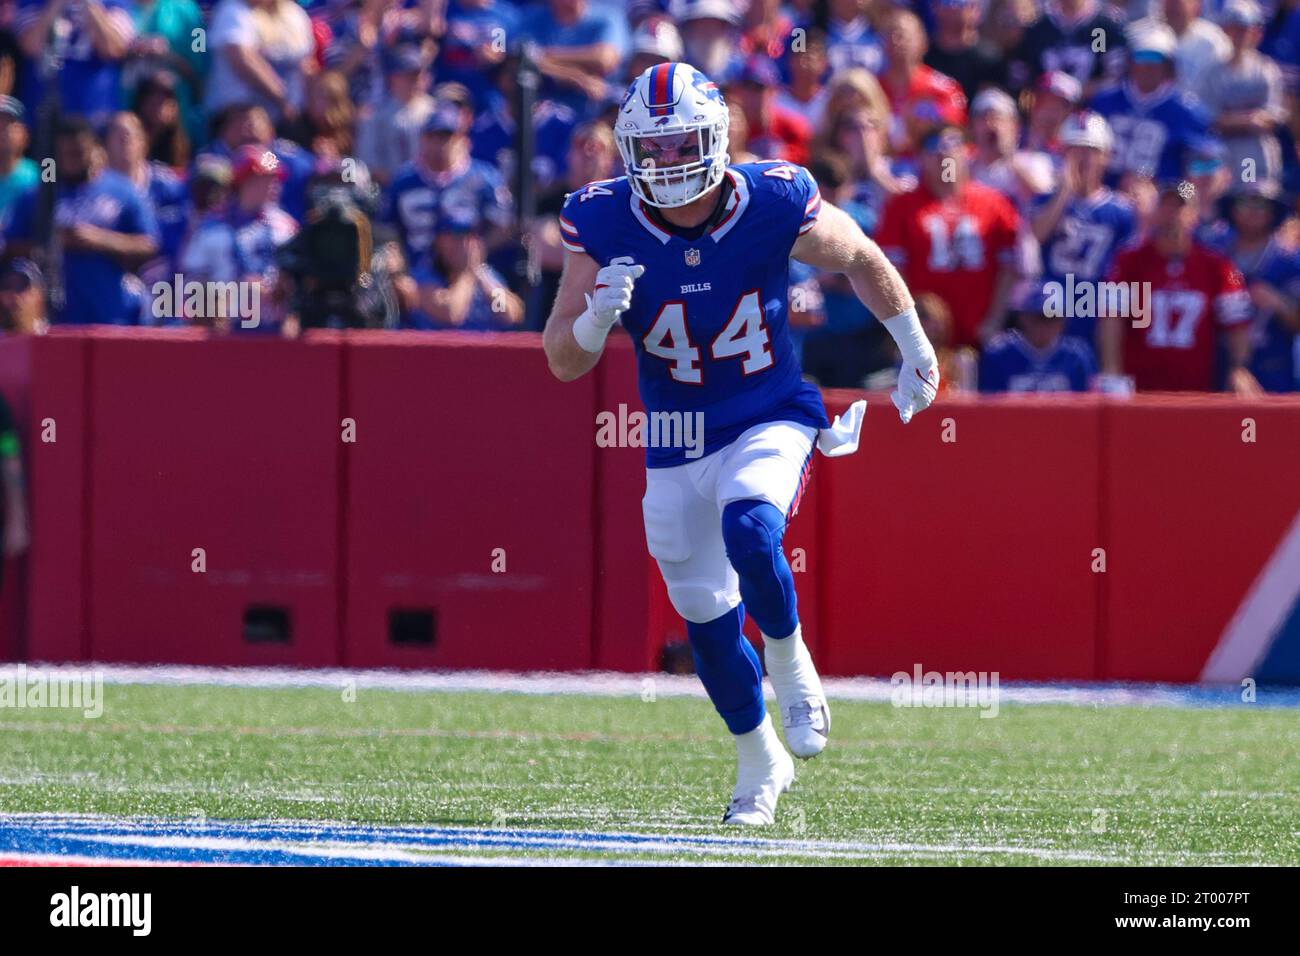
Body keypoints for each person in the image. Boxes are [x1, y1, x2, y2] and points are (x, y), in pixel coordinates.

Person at [543, 62, 939, 826]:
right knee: (707, 624)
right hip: (675, 436)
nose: (665, 163)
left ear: (718, 138)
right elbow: (563, 357)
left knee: (751, 528)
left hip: (769, 410)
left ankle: (793, 668)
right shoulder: (599, 217)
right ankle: (759, 759)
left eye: (681, 143)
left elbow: (860, 255)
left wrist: (916, 346)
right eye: (649, 149)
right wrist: (594, 320)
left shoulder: (771, 197)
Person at [1099, 180, 1257, 392]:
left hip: (1195, 391)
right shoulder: (1129, 262)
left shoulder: (1217, 266)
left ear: (1194, 215)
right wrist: (1112, 371)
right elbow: (1111, 319)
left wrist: (1239, 368)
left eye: (1180, 207)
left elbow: (1237, 322)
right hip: (1139, 390)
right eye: (1166, 207)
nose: (1172, 215)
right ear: (1155, 213)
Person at [876, 124, 1024, 347]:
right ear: (921, 158)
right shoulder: (902, 207)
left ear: (968, 151)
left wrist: (995, 320)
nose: (943, 154)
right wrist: (910, 324)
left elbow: (1008, 269)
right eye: (933, 147)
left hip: (980, 334)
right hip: (924, 336)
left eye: (953, 145)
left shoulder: (994, 204)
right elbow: (893, 273)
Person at [5, 118, 159, 326]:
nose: (71, 161)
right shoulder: (38, 195)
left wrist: (97, 239)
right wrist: (50, 243)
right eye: (65, 154)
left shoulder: (123, 190)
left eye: (78, 153)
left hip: (111, 311)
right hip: (52, 314)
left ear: (95, 149)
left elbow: (149, 243)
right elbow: (10, 246)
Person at [980, 287, 1097, 392]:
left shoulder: (1076, 356)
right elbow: (991, 406)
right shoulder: (1000, 355)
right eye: (1040, 317)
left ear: (1064, 320)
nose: (1045, 325)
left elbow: (1087, 406)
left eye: (1053, 317)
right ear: (1023, 317)